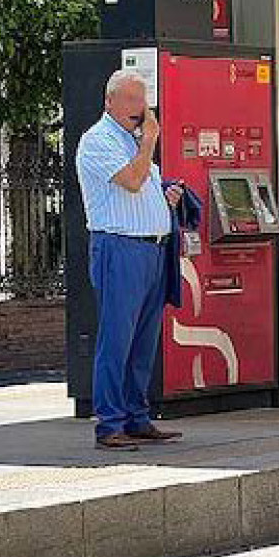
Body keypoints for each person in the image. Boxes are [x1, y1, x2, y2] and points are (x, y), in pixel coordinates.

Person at [75, 69, 186, 451]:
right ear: (110, 101)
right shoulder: (99, 140)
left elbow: (143, 188)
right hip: (119, 248)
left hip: (151, 249)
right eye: (133, 100)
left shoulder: (133, 143)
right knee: (117, 338)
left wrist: (166, 196)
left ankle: (137, 417)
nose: (141, 109)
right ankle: (109, 423)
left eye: (144, 101)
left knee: (143, 341)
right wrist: (150, 142)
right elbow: (132, 181)